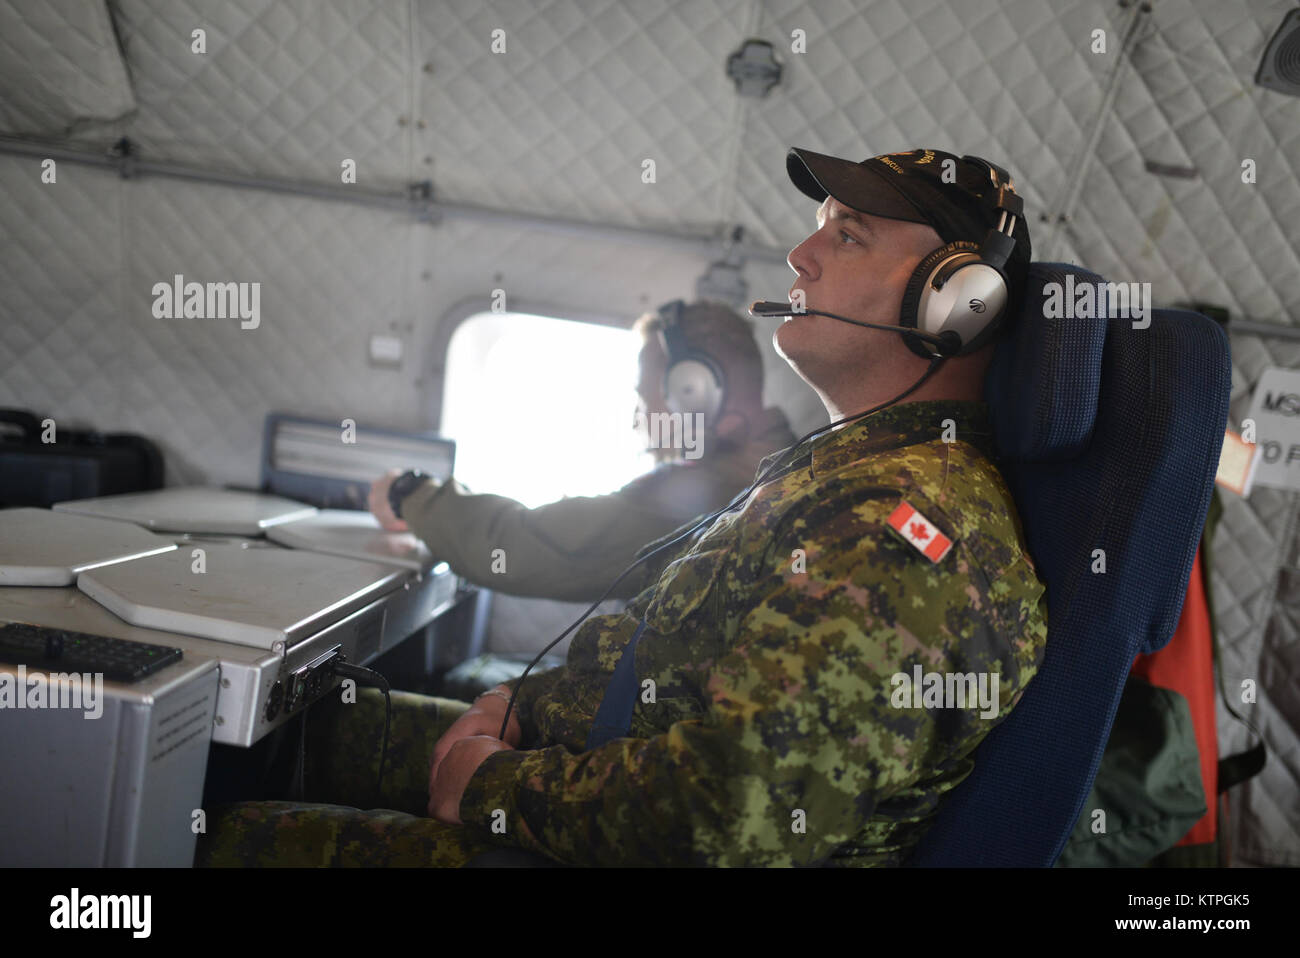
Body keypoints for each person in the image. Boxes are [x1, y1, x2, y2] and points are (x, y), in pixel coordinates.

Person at [196, 146, 1049, 867]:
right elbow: (665, 645)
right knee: (309, 734)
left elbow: (735, 809)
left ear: (957, 301)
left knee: (230, 839)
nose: (799, 255)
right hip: (592, 757)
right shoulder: (827, 472)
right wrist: (523, 708)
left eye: (848, 235)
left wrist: (490, 788)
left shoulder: (905, 528)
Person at [368, 301, 796, 602]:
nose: (638, 419)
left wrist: (410, 494)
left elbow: (522, 548)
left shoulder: (709, 493)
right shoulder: (777, 464)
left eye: (645, 399)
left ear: (694, 392)